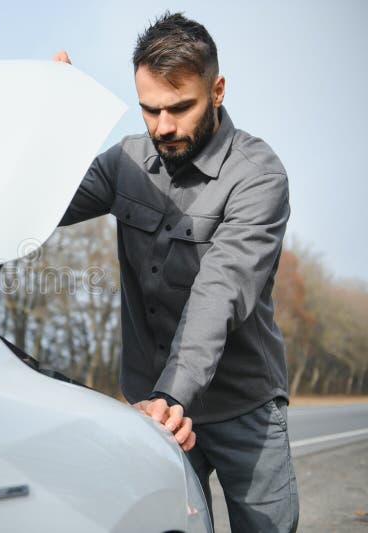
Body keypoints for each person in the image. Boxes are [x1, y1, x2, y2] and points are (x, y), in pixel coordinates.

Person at [55, 12, 299, 533]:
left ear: (217, 90)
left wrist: (173, 395)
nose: (163, 126)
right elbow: (42, 204)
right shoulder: (123, 162)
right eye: (149, 109)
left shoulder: (258, 176)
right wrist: (52, 120)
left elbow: (220, 291)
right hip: (153, 415)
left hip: (243, 408)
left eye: (179, 107)